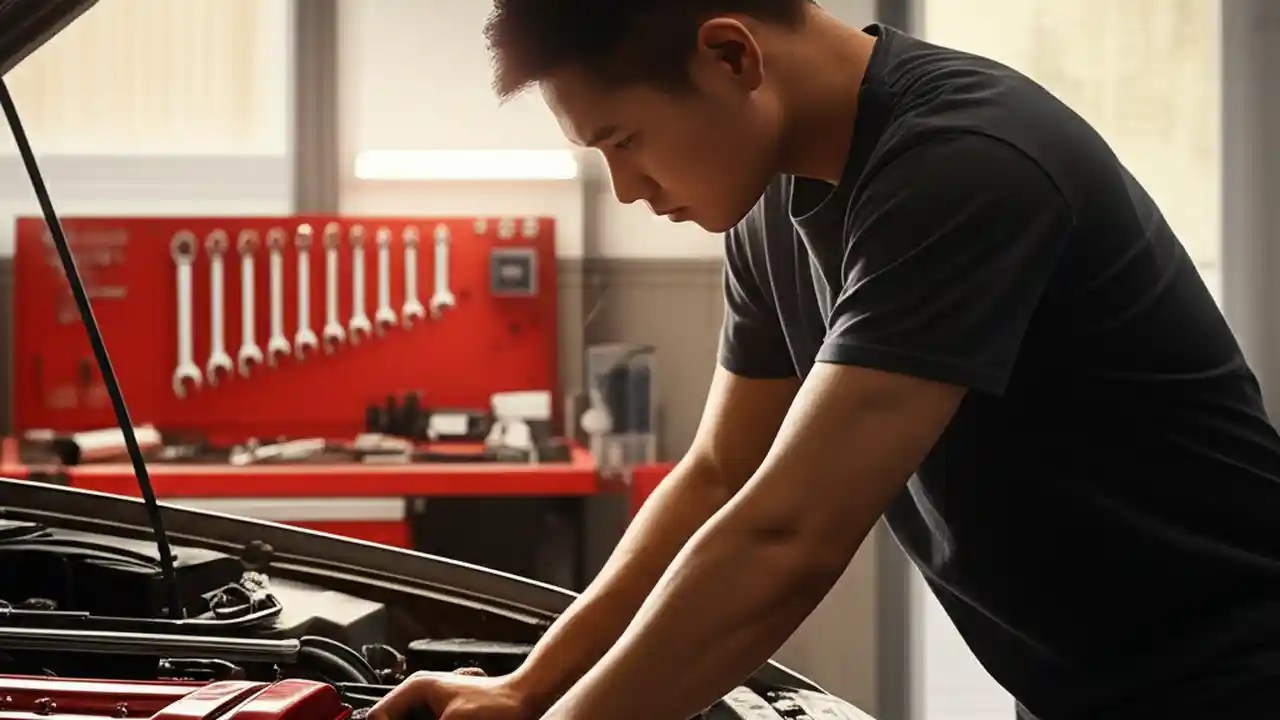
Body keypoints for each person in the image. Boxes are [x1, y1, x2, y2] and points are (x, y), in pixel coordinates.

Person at [371, 2, 1280, 718]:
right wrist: (529, 688)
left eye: (624, 141)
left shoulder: (968, 164)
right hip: (1077, 684)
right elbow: (722, 477)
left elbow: (788, 537)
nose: (629, 190)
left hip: (1235, 679)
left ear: (732, 56)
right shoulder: (772, 206)